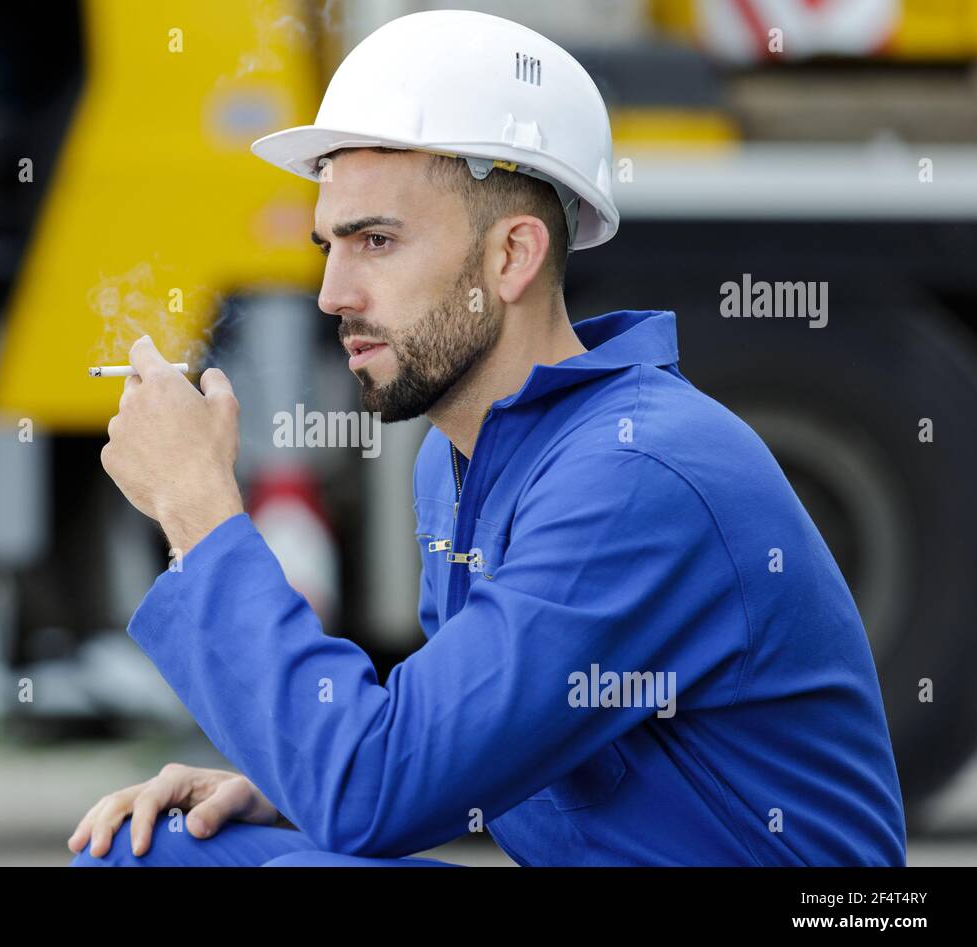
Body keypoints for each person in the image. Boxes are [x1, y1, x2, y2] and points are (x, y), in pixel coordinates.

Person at [71, 9, 906, 867]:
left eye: (377, 242)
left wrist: (196, 507)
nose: (332, 293)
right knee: (153, 853)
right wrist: (289, 786)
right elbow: (479, 748)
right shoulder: (459, 463)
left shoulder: (637, 474)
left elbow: (376, 791)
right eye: (330, 245)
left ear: (512, 256)